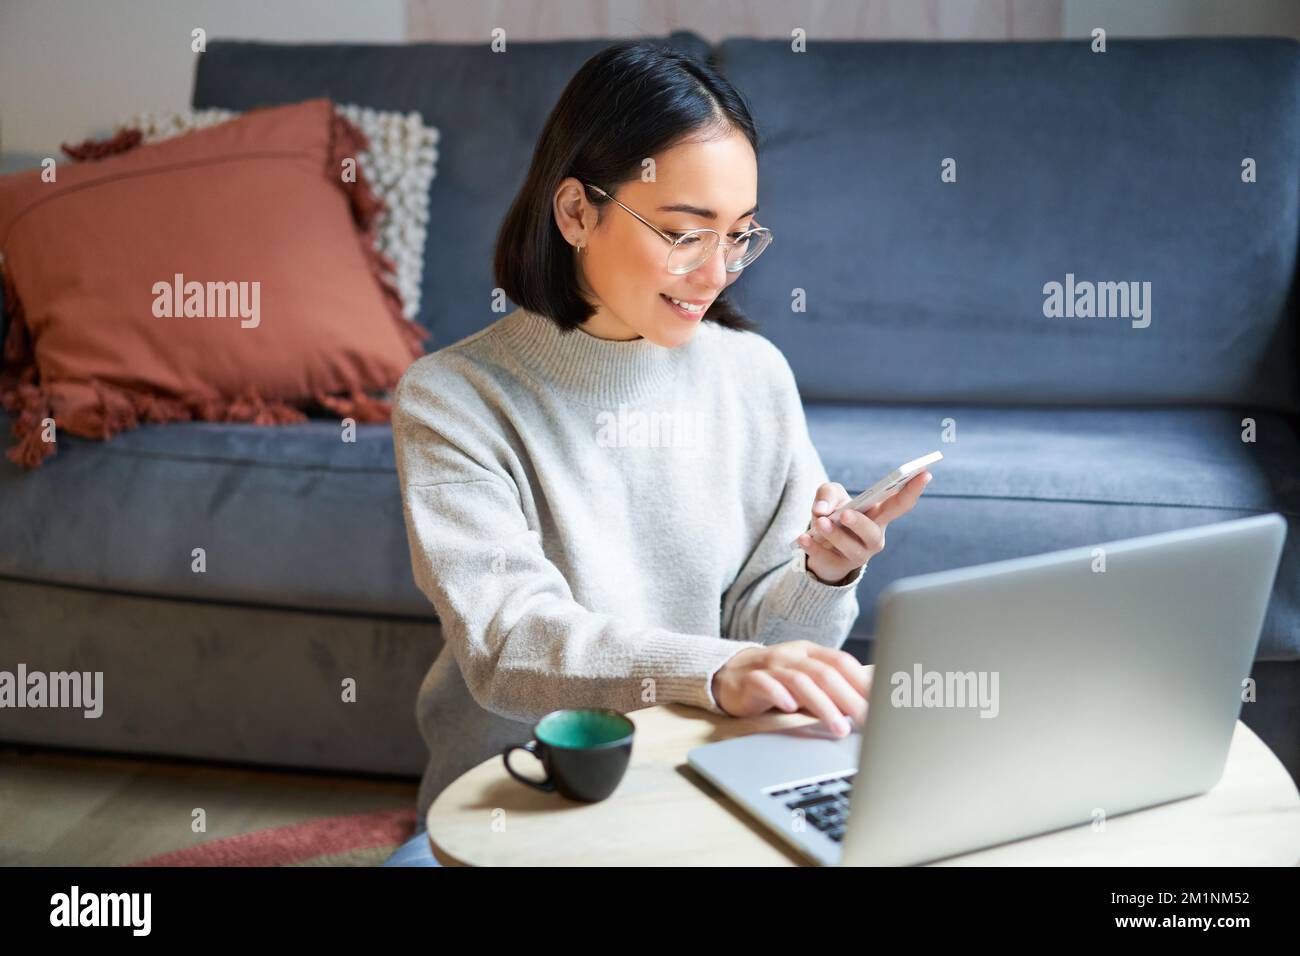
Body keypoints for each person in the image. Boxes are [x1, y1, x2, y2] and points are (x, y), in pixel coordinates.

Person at [381, 39, 930, 866]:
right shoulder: (453, 398)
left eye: (740, 236)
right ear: (575, 213)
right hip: (522, 805)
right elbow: (510, 643)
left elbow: (759, 630)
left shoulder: (753, 375)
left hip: (703, 792)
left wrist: (821, 575)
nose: (716, 272)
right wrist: (718, 672)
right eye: (684, 232)